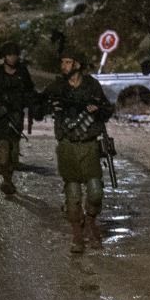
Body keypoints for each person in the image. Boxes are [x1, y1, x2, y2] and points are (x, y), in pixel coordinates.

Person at [38, 46, 113, 254]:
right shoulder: (57, 86)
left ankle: (90, 221)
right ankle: (77, 234)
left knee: (96, 191)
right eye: (62, 62)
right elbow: (38, 106)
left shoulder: (91, 86)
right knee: (72, 193)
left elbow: (108, 109)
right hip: (68, 145)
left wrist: (97, 110)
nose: (64, 66)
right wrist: (50, 107)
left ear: (77, 65)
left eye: (68, 62)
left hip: (89, 144)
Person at [0, 41, 35, 197]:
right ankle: (6, 179)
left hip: (16, 117)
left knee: (13, 152)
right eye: (9, 55)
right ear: (4, 56)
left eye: (15, 55)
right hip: (0, 117)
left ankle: (9, 178)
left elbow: (29, 91)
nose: (13, 58)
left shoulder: (22, 72)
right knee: (3, 150)